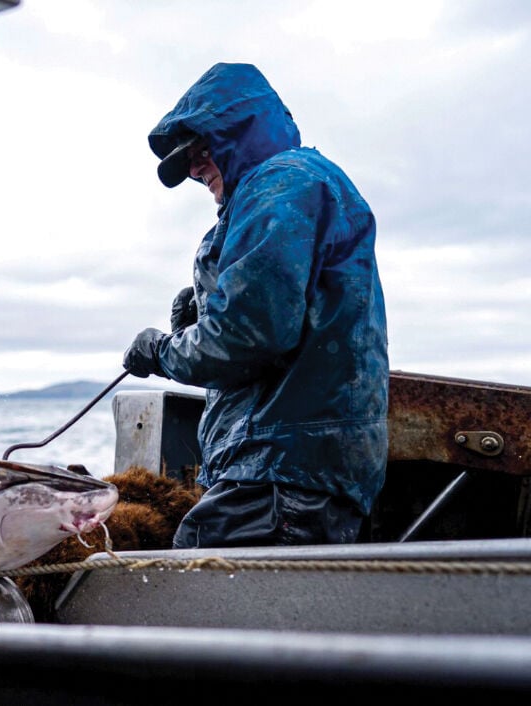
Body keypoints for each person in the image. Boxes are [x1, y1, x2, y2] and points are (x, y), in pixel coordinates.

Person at [122, 63, 389, 548]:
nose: (195, 171)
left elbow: (247, 336)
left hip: (278, 474)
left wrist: (162, 350)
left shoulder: (280, 184)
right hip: (295, 472)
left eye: (198, 153)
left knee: (194, 604)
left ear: (235, 135)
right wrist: (206, 311)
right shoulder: (295, 184)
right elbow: (282, 317)